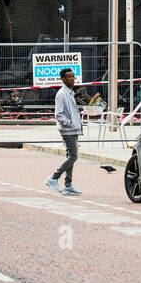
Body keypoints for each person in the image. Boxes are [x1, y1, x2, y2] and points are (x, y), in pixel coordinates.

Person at [45, 68, 82, 197]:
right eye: (69, 77)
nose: (72, 79)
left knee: (70, 156)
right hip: (68, 130)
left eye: (73, 77)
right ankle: (54, 178)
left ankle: (68, 185)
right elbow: (59, 114)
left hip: (73, 129)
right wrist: (69, 124)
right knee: (73, 156)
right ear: (63, 79)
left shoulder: (70, 93)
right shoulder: (61, 94)